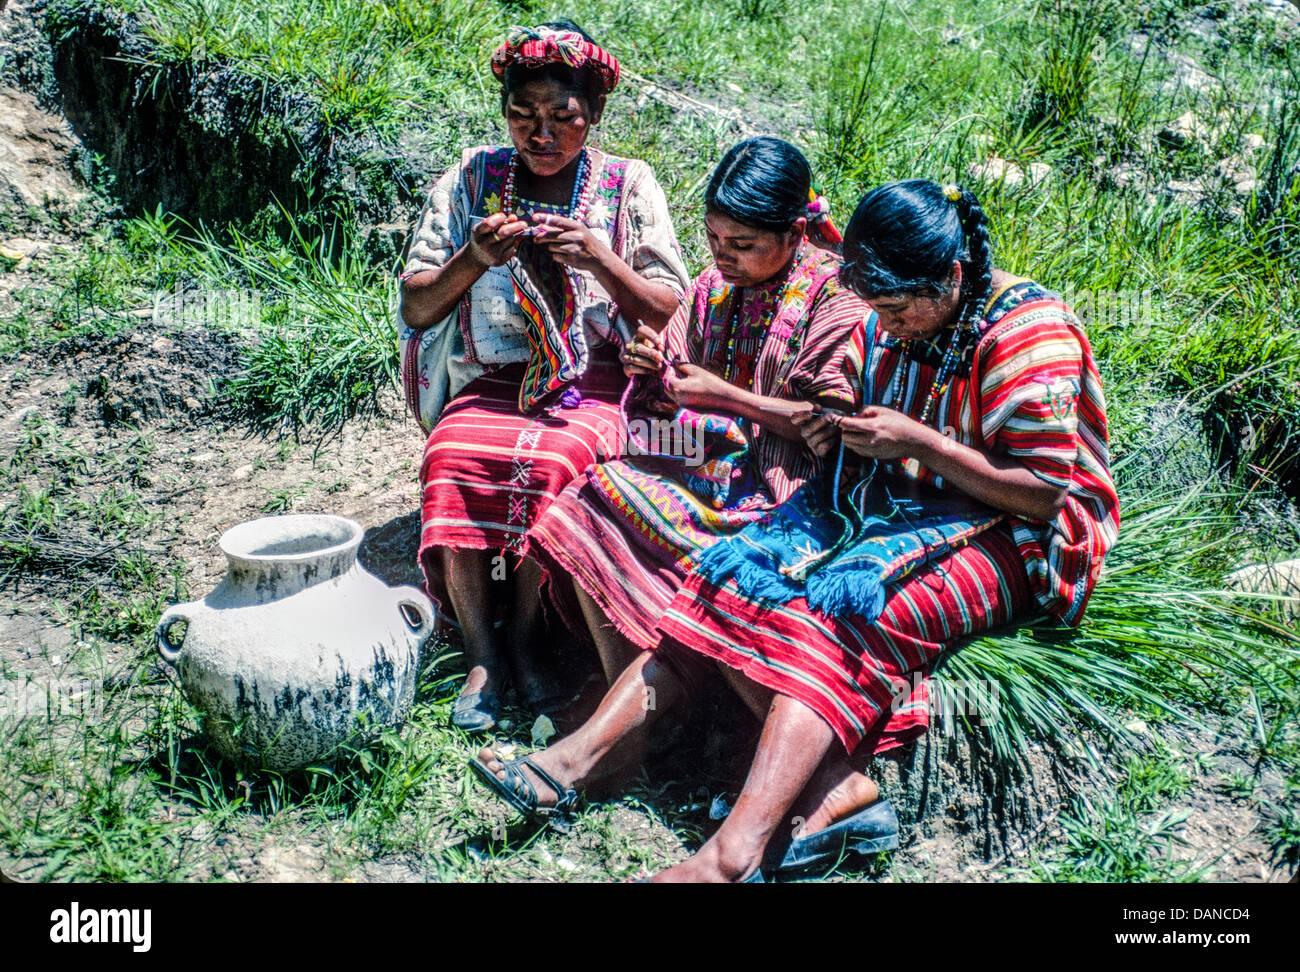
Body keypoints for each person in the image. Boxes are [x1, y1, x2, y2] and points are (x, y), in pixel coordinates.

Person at [472, 178, 1120, 882]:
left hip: (1017, 534)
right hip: (892, 497)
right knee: (725, 577)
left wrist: (924, 446)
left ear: (952, 278)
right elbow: (844, 396)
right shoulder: (885, 315)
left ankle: (733, 851)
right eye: (878, 310)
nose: (886, 324)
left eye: (898, 310)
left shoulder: (1028, 335)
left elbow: (1044, 494)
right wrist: (830, 422)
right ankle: (606, 759)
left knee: (830, 614)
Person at [468, 136, 870, 819]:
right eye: (713, 238)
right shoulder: (715, 289)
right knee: (590, 502)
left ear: (796, 233)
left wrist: (728, 399)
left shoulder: (839, 301)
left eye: (741, 243)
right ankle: (632, 707)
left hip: (795, 498)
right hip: (710, 472)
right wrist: (649, 369)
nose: (721, 256)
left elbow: (834, 429)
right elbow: (673, 382)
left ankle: (635, 735)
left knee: (718, 561)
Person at [397, 21, 690, 731]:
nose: (543, 134)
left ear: (594, 116)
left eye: (565, 118)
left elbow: (669, 301)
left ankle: (528, 636)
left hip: (594, 379)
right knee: (454, 455)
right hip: (494, 378)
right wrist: (472, 260)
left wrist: (599, 260)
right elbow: (416, 302)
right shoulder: (473, 180)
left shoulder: (627, 185)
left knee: (557, 459)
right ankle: (482, 650)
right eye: (523, 115)